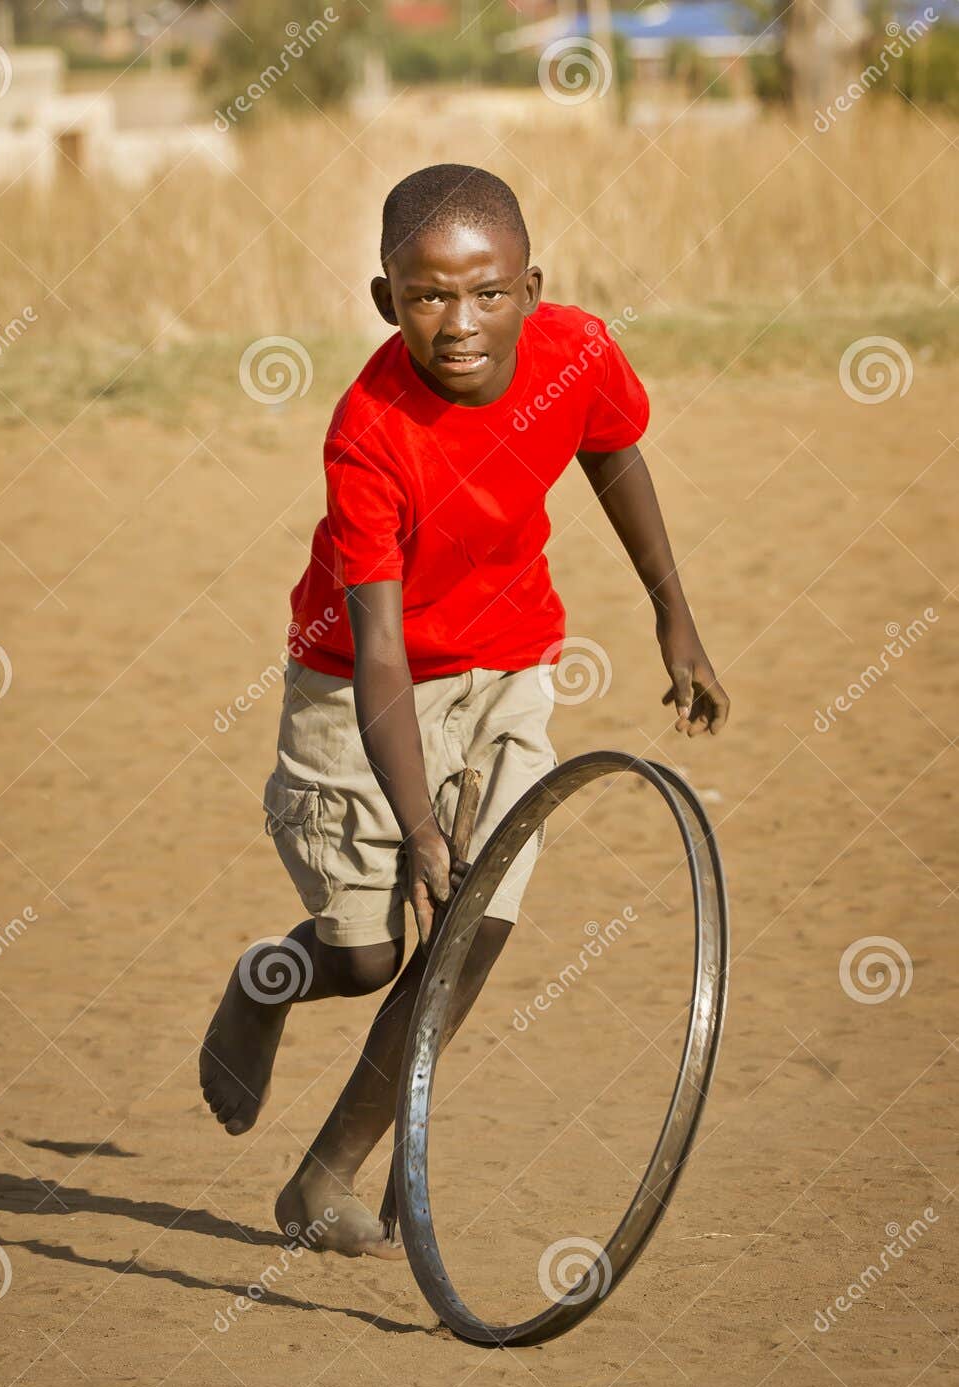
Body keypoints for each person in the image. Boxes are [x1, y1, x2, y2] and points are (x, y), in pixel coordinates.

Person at [200, 164, 729, 1258]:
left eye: (487, 292)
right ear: (384, 300)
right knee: (365, 959)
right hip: (357, 686)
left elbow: (611, 453)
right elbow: (382, 651)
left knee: (471, 929)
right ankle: (268, 980)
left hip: (506, 663)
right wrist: (419, 825)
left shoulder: (575, 352)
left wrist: (673, 618)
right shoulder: (367, 434)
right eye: (428, 295)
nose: (460, 323)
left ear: (530, 287)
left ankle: (321, 1175)